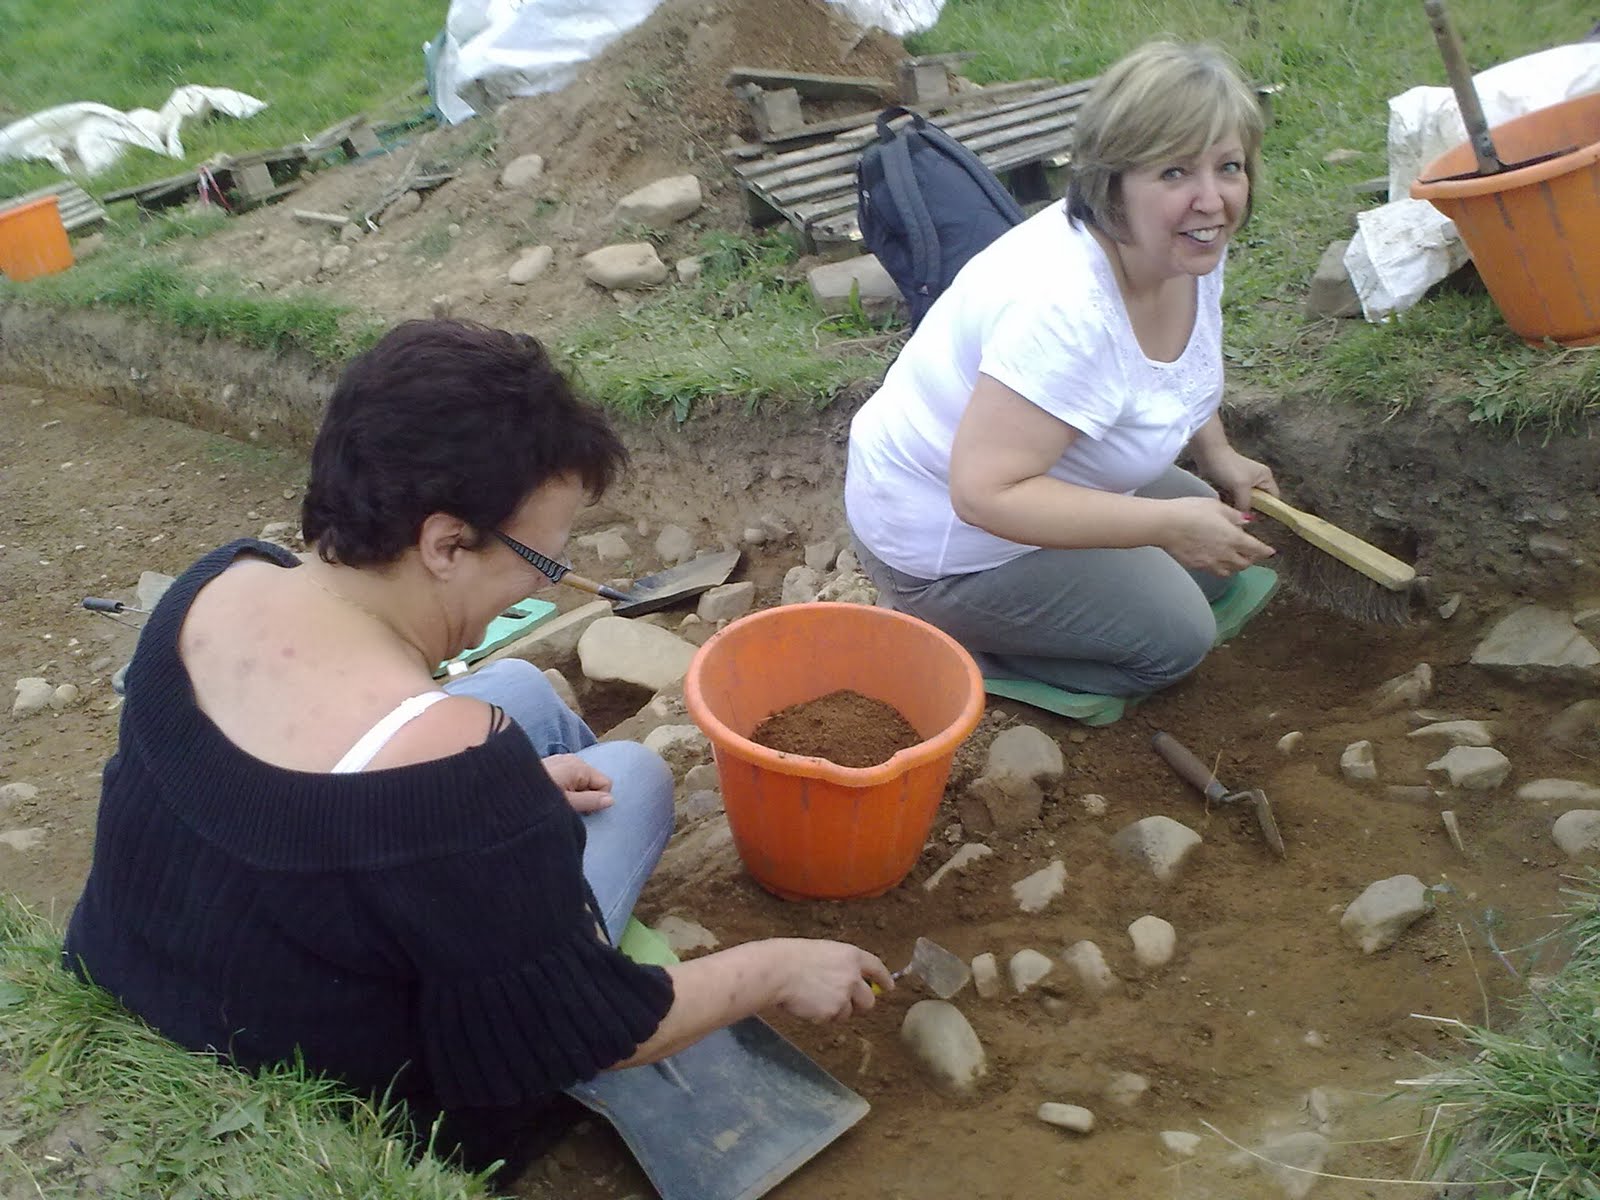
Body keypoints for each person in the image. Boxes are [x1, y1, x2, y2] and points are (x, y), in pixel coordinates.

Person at [63, 319, 892, 1178]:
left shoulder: (216, 585)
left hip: (177, 968)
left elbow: (313, 803)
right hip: (368, 1099)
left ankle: (537, 889)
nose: (546, 583)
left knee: (523, 694)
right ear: (446, 543)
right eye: (541, 558)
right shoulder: (455, 769)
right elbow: (592, 1033)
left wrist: (494, 812)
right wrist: (778, 966)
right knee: (633, 777)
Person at [845, 40, 1280, 701]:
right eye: (1173, 173)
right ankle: (960, 648)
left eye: (1228, 167)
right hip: (948, 540)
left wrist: (1218, 454)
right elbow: (983, 494)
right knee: (1177, 636)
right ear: (1113, 183)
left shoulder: (1184, 250)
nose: (1211, 199)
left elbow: (1175, 368)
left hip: (1036, 473)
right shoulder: (1065, 309)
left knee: (1215, 563)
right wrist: (1165, 526)